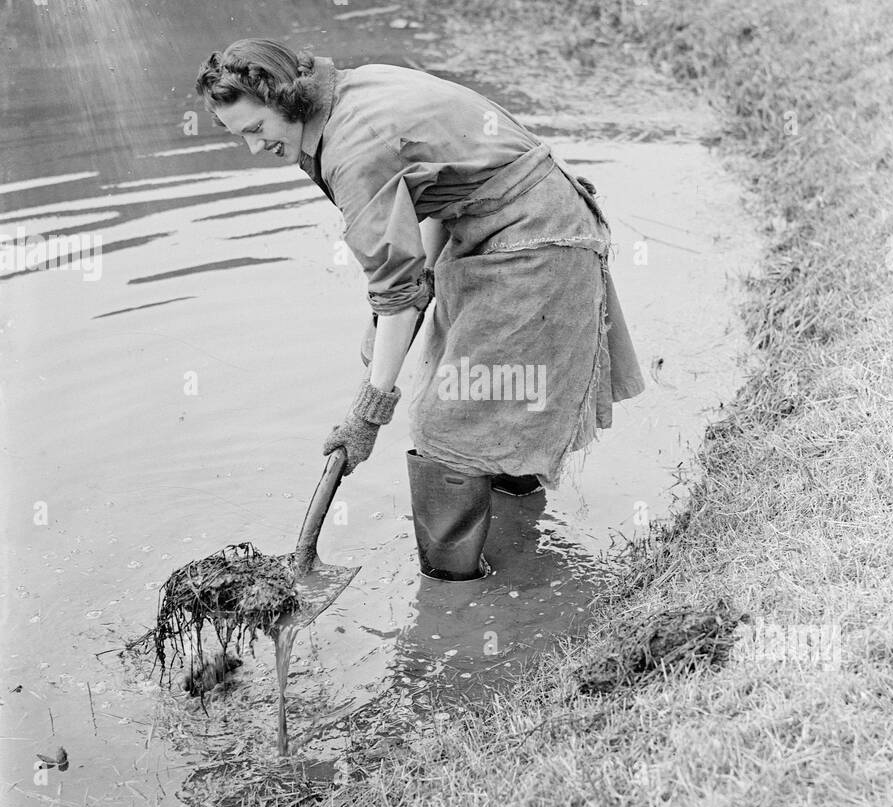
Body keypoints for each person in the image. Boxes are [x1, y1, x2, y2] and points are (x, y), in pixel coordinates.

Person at [195, 39, 644, 582]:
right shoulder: (350, 91)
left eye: (255, 128)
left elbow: (395, 285)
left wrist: (369, 408)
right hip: (500, 223)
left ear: (286, 100)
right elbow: (432, 190)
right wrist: (405, 297)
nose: (251, 147)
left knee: (447, 422)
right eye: (237, 135)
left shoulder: (350, 149)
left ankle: (453, 599)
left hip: (535, 243)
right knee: (491, 392)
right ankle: (519, 533)